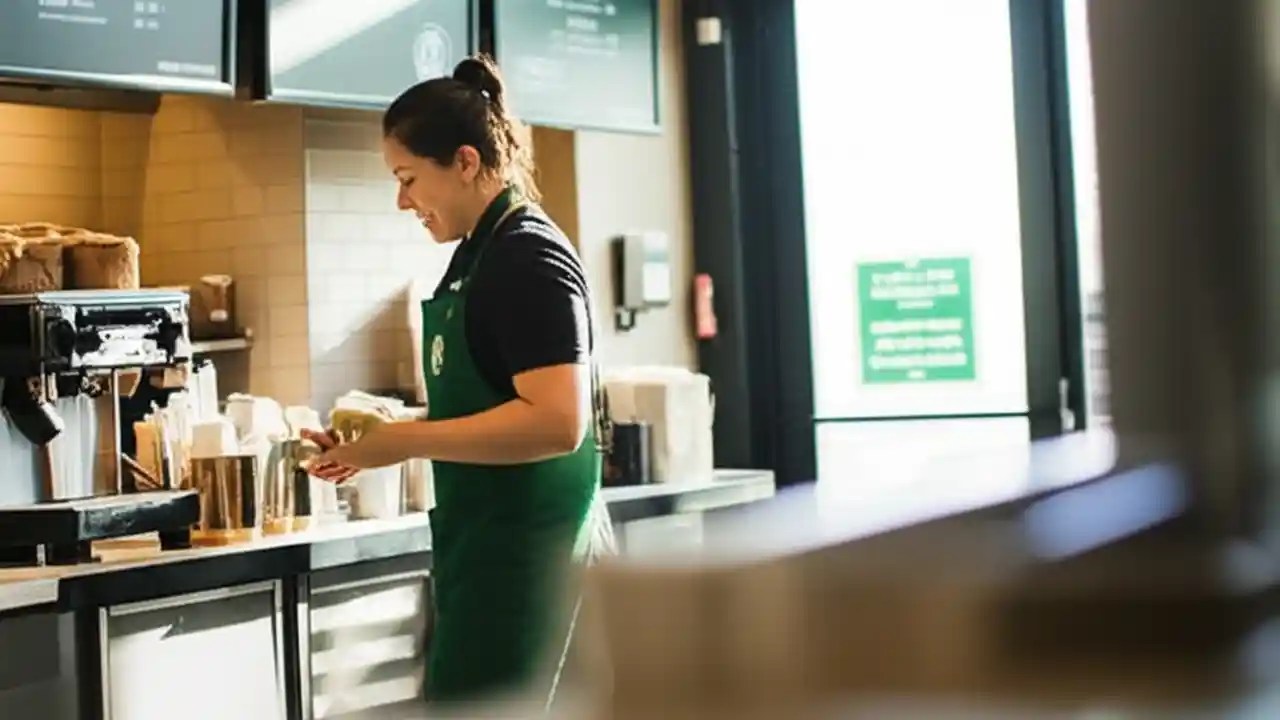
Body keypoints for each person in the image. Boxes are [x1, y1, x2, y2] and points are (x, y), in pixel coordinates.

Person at [305, 54, 613, 710]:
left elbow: (558, 422)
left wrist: (406, 440)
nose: (402, 200)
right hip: (494, 562)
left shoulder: (527, 257)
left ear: (467, 162)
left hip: (536, 570)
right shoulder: (480, 255)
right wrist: (369, 442)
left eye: (409, 178)